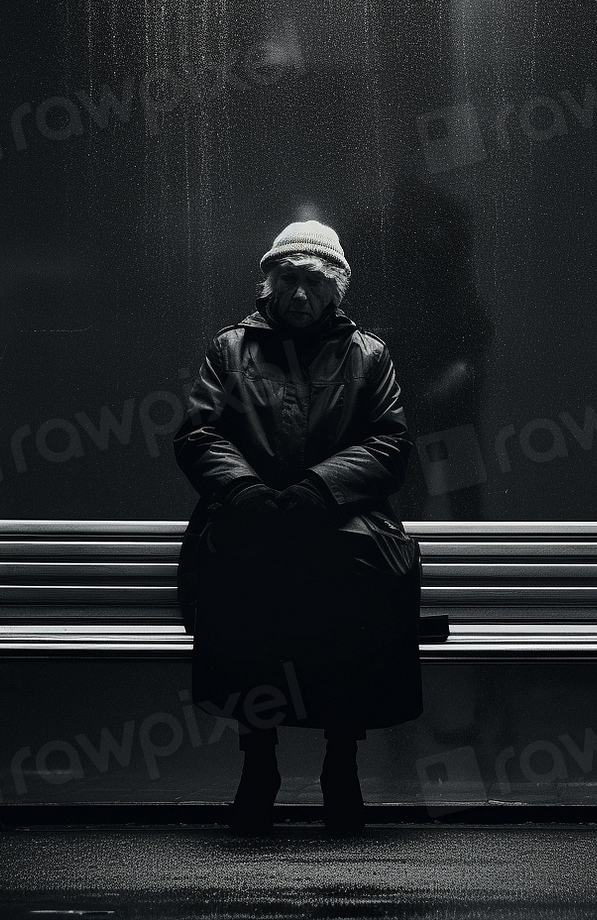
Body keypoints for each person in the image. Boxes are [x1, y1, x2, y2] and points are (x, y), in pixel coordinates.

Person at [174, 220, 421, 834]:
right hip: (255, 520)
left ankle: (343, 763)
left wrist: (319, 489)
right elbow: (200, 433)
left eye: (314, 281)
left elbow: (390, 443)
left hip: (336, 522)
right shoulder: (229, 350)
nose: (301, 295)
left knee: (354, 592)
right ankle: (260, 762)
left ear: (335, 288)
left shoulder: (368, 355)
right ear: (270, 284)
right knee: (252, 587)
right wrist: (245, 490)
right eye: (289, 280)